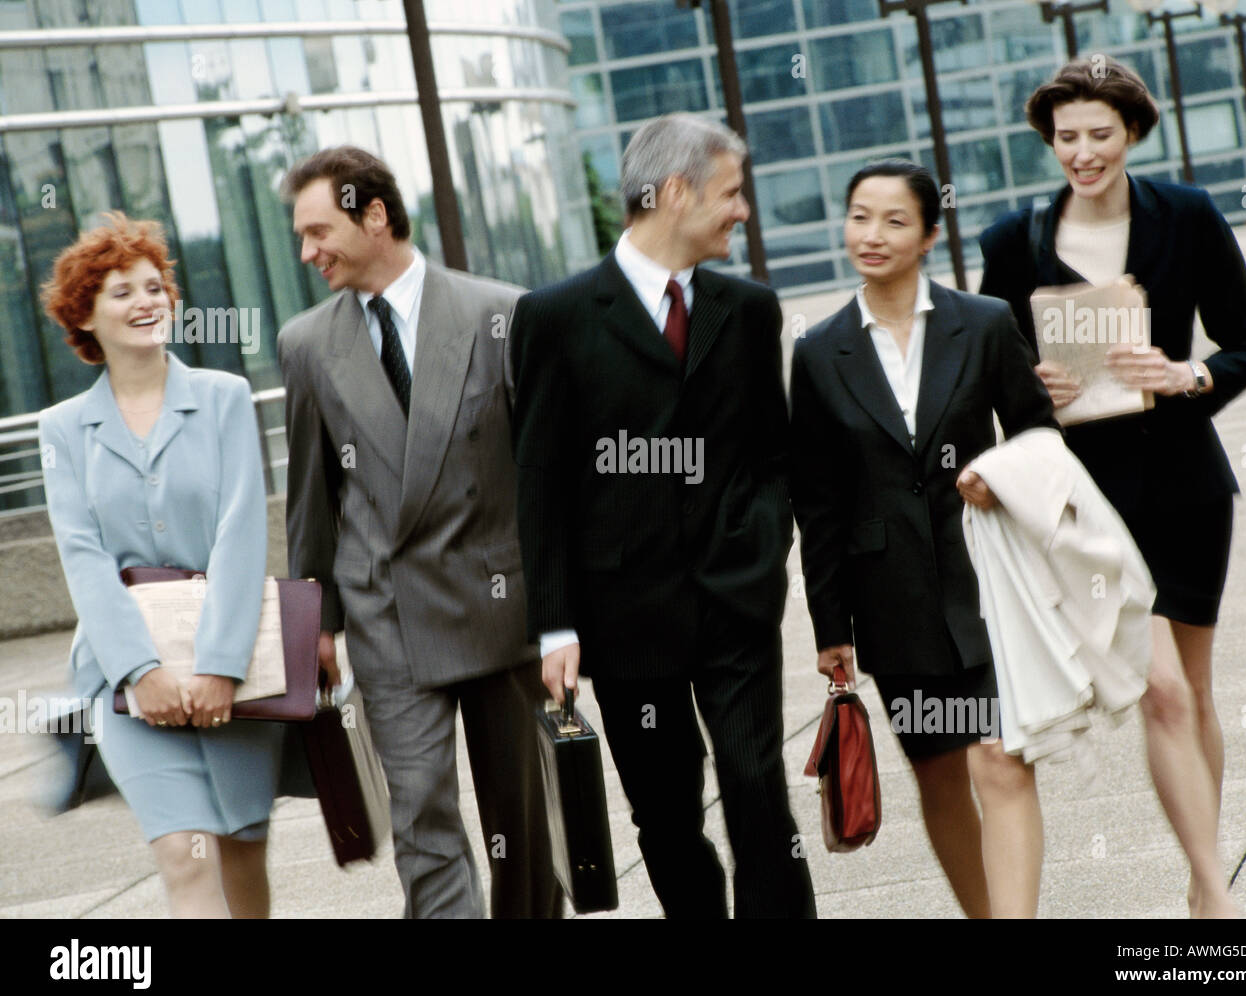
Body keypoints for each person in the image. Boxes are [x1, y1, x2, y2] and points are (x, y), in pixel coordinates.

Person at [979, 57, 1246, 917]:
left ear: (1133, 133)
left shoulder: (1185, 215)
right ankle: (1216, 896)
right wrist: (1038, 387)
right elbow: (991, 375)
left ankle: (1200, 870)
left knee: (1195, 690)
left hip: (1187, 485)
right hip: (1083, 497)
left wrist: (1186, 373)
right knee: (1163, 691)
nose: (1082, 152)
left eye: (1099, 135)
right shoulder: (1012, 242)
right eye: (1065, 137)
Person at [510, 113, 816, 918]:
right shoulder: (556, 316)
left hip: (735, 602)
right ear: (674, 192)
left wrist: (763, 540)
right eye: (731, 193)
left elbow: (773, 455)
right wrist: (554, 626)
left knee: (759, 794)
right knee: (667, 817)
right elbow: (537, 482)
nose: (743, 209)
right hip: (622, 618)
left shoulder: (749, 310)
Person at [277, 146, 561, 919]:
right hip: (386, 616)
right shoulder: (307, 345)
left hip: (501, 605)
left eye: (317, 231)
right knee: (422, 820)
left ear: (375, 215)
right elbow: (312, 498)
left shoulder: (501, 313)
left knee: (522, 823)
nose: (306, 253)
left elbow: (549, 483)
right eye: (298, 236)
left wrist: (566, 615)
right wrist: (319, 624)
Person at [790, 160, 1058, 918]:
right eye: (859, 217)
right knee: (940, 773)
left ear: (930, 235)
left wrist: (999, 475)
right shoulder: (817, 352)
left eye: (894, 220)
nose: (872, 235)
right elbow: (819, 501)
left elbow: (1039, 434)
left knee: (1002, 759)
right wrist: (830, 625)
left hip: (988, 582)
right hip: (891, 600)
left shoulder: (984, 322)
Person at [38, 213, 279, 918]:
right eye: (122, 291)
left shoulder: (226, 399)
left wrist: (220, 664)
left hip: (231, 673)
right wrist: (141, 671)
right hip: (128, 685)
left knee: (239, 847)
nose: (147, 301)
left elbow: (242, 530)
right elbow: (81, 556)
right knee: (183, 852)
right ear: (84, 313)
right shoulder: (61, 431)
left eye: (155, 286)